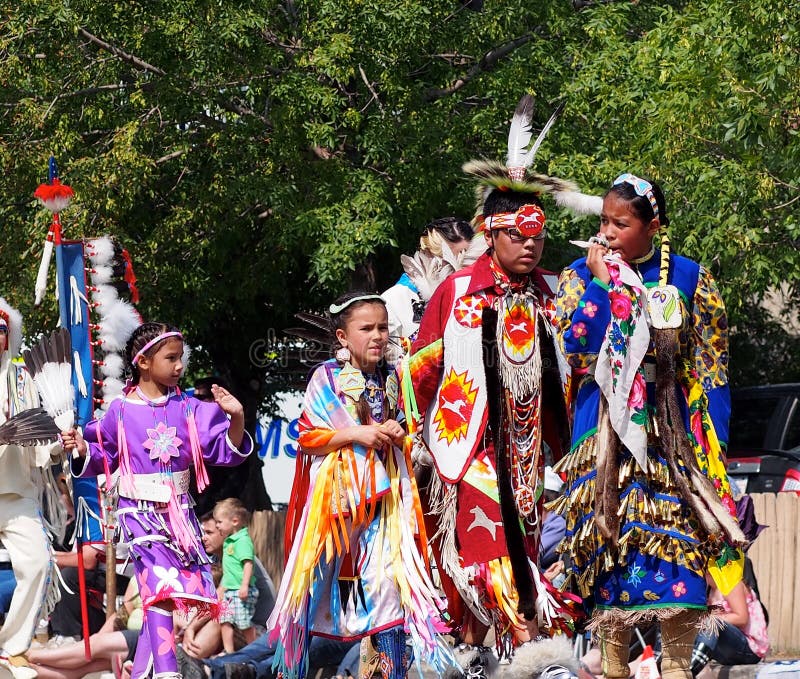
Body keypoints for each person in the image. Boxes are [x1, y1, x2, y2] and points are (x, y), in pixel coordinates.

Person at [410, 94, 600, 677]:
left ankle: (482, 657)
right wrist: (417, 434)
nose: (530, 245)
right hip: (468, 451)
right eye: (518, 235)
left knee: (511, 549)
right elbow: (421, 368)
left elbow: (576, 367)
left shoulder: (551, 294)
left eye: (537, 237)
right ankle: (530, 651)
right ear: (491, 234)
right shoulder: (458, 292)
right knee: (492, 553)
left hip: (529, 455)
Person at [553, 174, 746, 679]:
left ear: (652, 226)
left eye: (620, 224)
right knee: (609, 549)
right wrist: (600, 284)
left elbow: (711, 370)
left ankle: (677, 668)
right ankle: (613, 667)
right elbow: (576, 351)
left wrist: (715, 445)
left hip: (671, 436)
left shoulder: (689, 278)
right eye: (603, 221)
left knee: (678, 548)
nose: (607, 232)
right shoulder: (579, 275)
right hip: (601, 435)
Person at [268, 292, 454, 679]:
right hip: (336, 505)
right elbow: (308, 436)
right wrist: (357, 433)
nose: (377, 335)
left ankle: (393, 671)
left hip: (385, 504)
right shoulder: (326, 377)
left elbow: (408, 425)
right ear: (342, 336)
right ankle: (293, 670)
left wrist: (397, 431)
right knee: (313, 587)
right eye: (366, 328)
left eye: (383, 327)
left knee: (390, 586)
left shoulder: (393, 376)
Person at [60, 321, 253, 679]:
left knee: (165, 596)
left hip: (179, 514)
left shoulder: (190, 408)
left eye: (181, 358)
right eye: (171, 358)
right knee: (161, 587)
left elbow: (225, 450)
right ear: (144, 362)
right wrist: (83, 448)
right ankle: (167, 672)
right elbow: (103, 456)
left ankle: (142, 671)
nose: (180, 366)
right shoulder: (119, 411)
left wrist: (237, 416)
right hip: (138, 513)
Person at [0, 299, 60, 674]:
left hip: (16, 492)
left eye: (0, 329)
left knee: (38, 563)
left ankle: (14, 646)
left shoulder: (22, 380)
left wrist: (57, 444)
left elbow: (38, 434)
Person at [381, 217, 475, 362]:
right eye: (453, 259)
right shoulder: (392, 300)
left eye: (469, 260)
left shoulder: (476, 299)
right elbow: (392, 363)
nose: (462, 268)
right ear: (430, 255)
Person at [214, 498, 257, 653]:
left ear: (234, 521)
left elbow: (248, 564)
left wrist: (244, 585)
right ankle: (229, 653)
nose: (217, 525)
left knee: (244, 623)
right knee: (224, 621)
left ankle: (256, 650)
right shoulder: (229, 542)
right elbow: (229, 571)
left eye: (219, 522)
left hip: (241, 591)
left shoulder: (242, 540)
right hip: (229, 591)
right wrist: (221, 588)